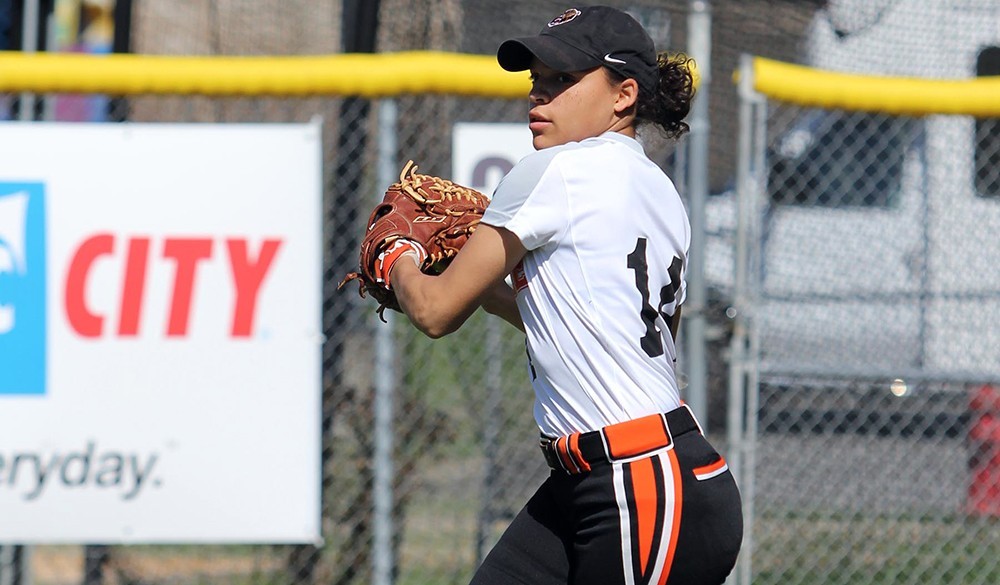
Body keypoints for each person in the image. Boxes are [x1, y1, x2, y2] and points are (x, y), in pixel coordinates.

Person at [382, 5, 743, 584]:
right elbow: (587, 332)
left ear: (624, 95)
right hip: (628, 480)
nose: (539, 97)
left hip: (635, 486)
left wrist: (399, 254)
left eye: (563, 80)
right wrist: (485, 289)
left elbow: (433, 310)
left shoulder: (554, 172)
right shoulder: (659, 188)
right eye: (536, 81)